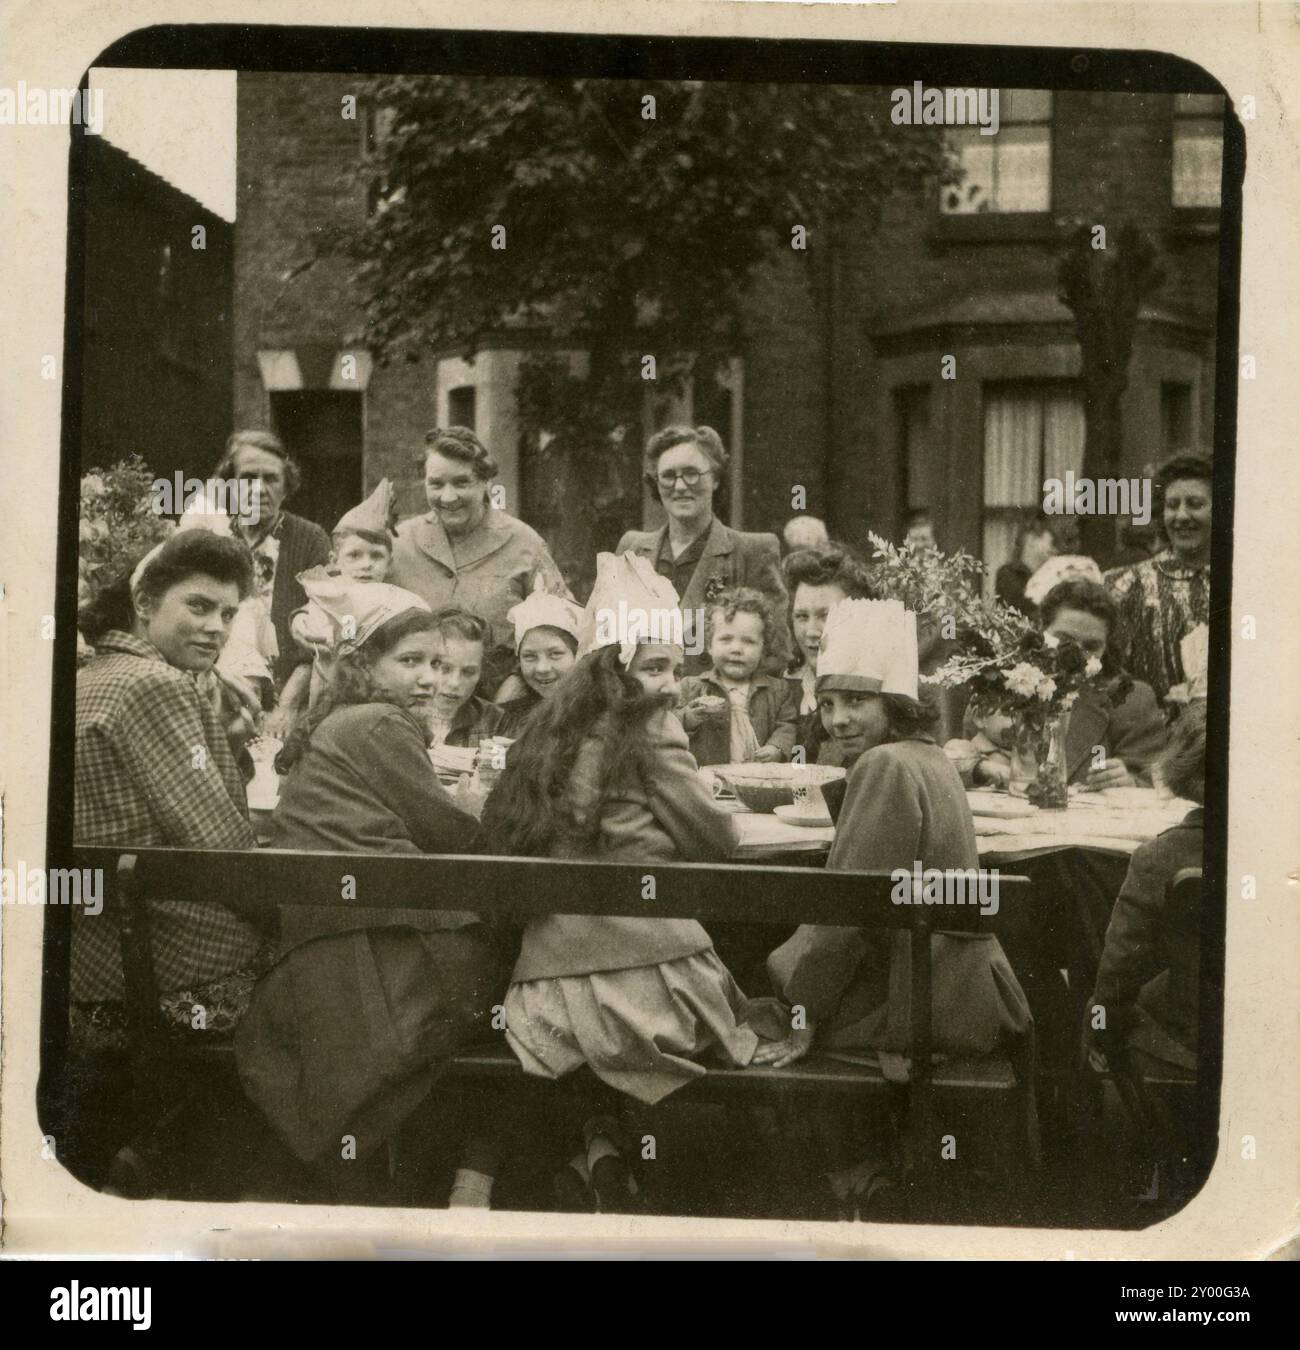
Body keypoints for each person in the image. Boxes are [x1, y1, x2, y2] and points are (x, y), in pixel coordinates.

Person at [483, 552, 776, 1211]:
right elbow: (717, 844)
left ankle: (600, 1150)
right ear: (615, 668)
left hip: (546, 996)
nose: (672, 685)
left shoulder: (547, 728)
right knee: (746, 989)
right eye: (654, 667)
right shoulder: (652, 729)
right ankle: (659, 1179)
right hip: (644, 989)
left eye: (675, 666)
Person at [235, 583, 509, 1201]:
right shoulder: (382, 721)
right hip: (385, 946)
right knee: (526, 979)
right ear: (364, 663)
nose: (428, 678)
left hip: (329, 936)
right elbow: (452, 836)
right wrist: (479, 803)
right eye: (409, 662)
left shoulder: (340, 720)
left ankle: (455, 1171)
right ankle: (478, 1172)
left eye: (436, 663)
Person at [764, 598, 1035, 1211]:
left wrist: (804, 1013)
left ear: (895, 704)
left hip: (921, 998)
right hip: (958, 980)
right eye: (828, 704)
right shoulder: (929, 758)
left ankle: (858, 1177)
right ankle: (867, 1172)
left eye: (856, 702)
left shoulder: (884, 767)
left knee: (772, 1005)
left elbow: (848, 914)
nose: (837, 720)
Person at [71, 530, 269, 1047]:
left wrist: (223, 746)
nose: (216, 629)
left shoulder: (91, 676)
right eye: (199, 606)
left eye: (228, 615)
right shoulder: (154, 684)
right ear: (144, 602)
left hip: (89, 966)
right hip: (172, 976)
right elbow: (226, 857)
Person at [389, 426, 572, 692]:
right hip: (413, 702)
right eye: (436, 484)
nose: (448, 497)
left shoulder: (524, 542)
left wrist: (519, 681)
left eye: (462, 483)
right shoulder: (398, 542)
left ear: (485, 482)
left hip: (500, 704)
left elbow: (563, 628)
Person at [1087, 703, 1205, 1076]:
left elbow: (1117, 977)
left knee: (1100, 1012)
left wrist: (1098, 1028)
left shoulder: (1159, 857)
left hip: (1187, 1041)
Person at [616, 424, 790, 676]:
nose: (680, 486)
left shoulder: (753, 551)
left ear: (716, 479)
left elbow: (775, 654)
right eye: (668, 475)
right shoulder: (631, 548)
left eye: (692, 473)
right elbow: (607, 644)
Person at [966, 579, 1167, 791]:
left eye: (1091, 646)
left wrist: (1130, 782)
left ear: (1107, 648)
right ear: (1040, 630)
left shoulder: (1129, 701)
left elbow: (1151, 781)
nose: (1076, 655)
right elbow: (964, 767)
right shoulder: (1003, 686)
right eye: (1064, 640)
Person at [216, 429, 332, 696]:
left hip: (291, 689)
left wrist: (288, 705)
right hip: (223, 687)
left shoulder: (310, 539)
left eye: (270, 479)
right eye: (247, 478)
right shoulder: (215, 534)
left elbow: (323, 625)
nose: (259, 489)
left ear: (286, 485)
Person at [278, 479, 398, 717]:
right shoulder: (329, 595)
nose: (366, 565)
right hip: (326, 692)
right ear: (334, 560)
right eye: (354, 555)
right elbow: (309, 641)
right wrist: (300, 619)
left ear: (390, 563)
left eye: (376, 556)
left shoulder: (393, 602)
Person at [1104, 455, 1213, 704]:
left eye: (1195, 504)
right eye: (1172, 505)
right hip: (1151, 737)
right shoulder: (1126, 586)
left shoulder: (1245, 587)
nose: (1181, 516)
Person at [678, 587, 799, 768]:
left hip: (756, 777)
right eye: (726, 639)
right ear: (709, 645)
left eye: (748, 641)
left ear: (763, 649)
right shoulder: (691, 687)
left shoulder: (777, 690)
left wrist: (777, 747)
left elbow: (787, 724)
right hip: (709, 779)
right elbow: (671, 722)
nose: (736, 649)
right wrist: (689, 717)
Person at [781, 543, 876, 758]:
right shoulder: (784, 687)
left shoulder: (881, 695)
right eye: (802, 617)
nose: (811, 632)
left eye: (826, 615)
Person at [494, 578, 584, 738]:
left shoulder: (599, 713)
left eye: (555, 654)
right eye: (529, 656)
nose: (542, 668)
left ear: (577, 655)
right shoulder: (510, 718)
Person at [995, 512, 1056, 614]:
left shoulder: (1048, 575)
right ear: (1032, 540)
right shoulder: (1008, 574)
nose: (1053, 549)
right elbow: (1019, 610)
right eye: (1050, 542)